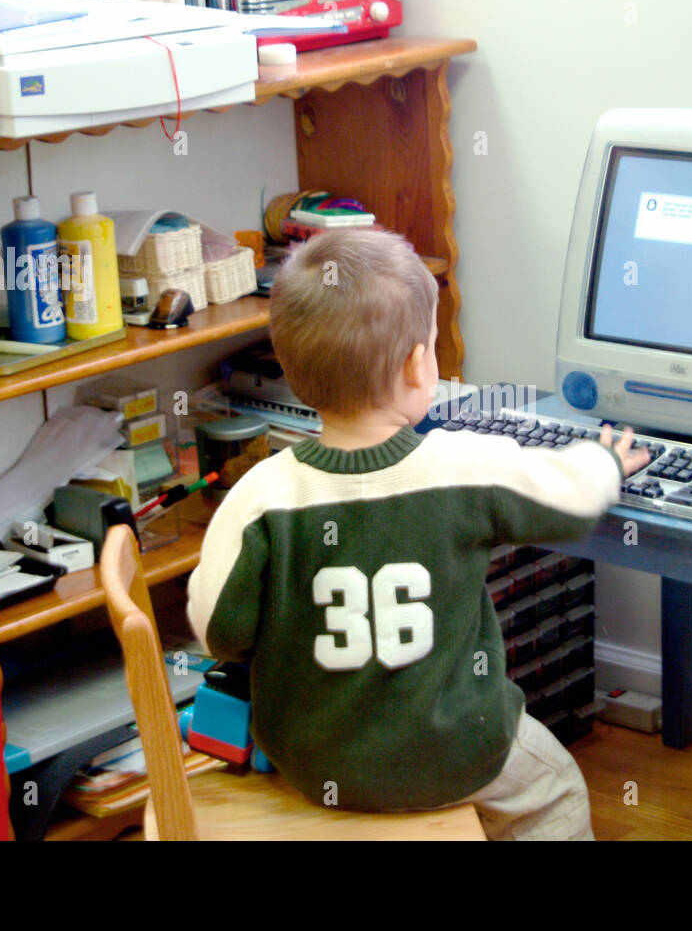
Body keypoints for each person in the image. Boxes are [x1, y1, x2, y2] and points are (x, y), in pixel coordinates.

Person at [186, 228, 649, 840]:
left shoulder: (260, 495)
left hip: (313, 760)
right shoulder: (460, 466)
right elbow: (570, 500)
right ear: (417, 364)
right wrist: (606, 461)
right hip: (454, 751)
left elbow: (218, 631)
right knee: (554, 789)